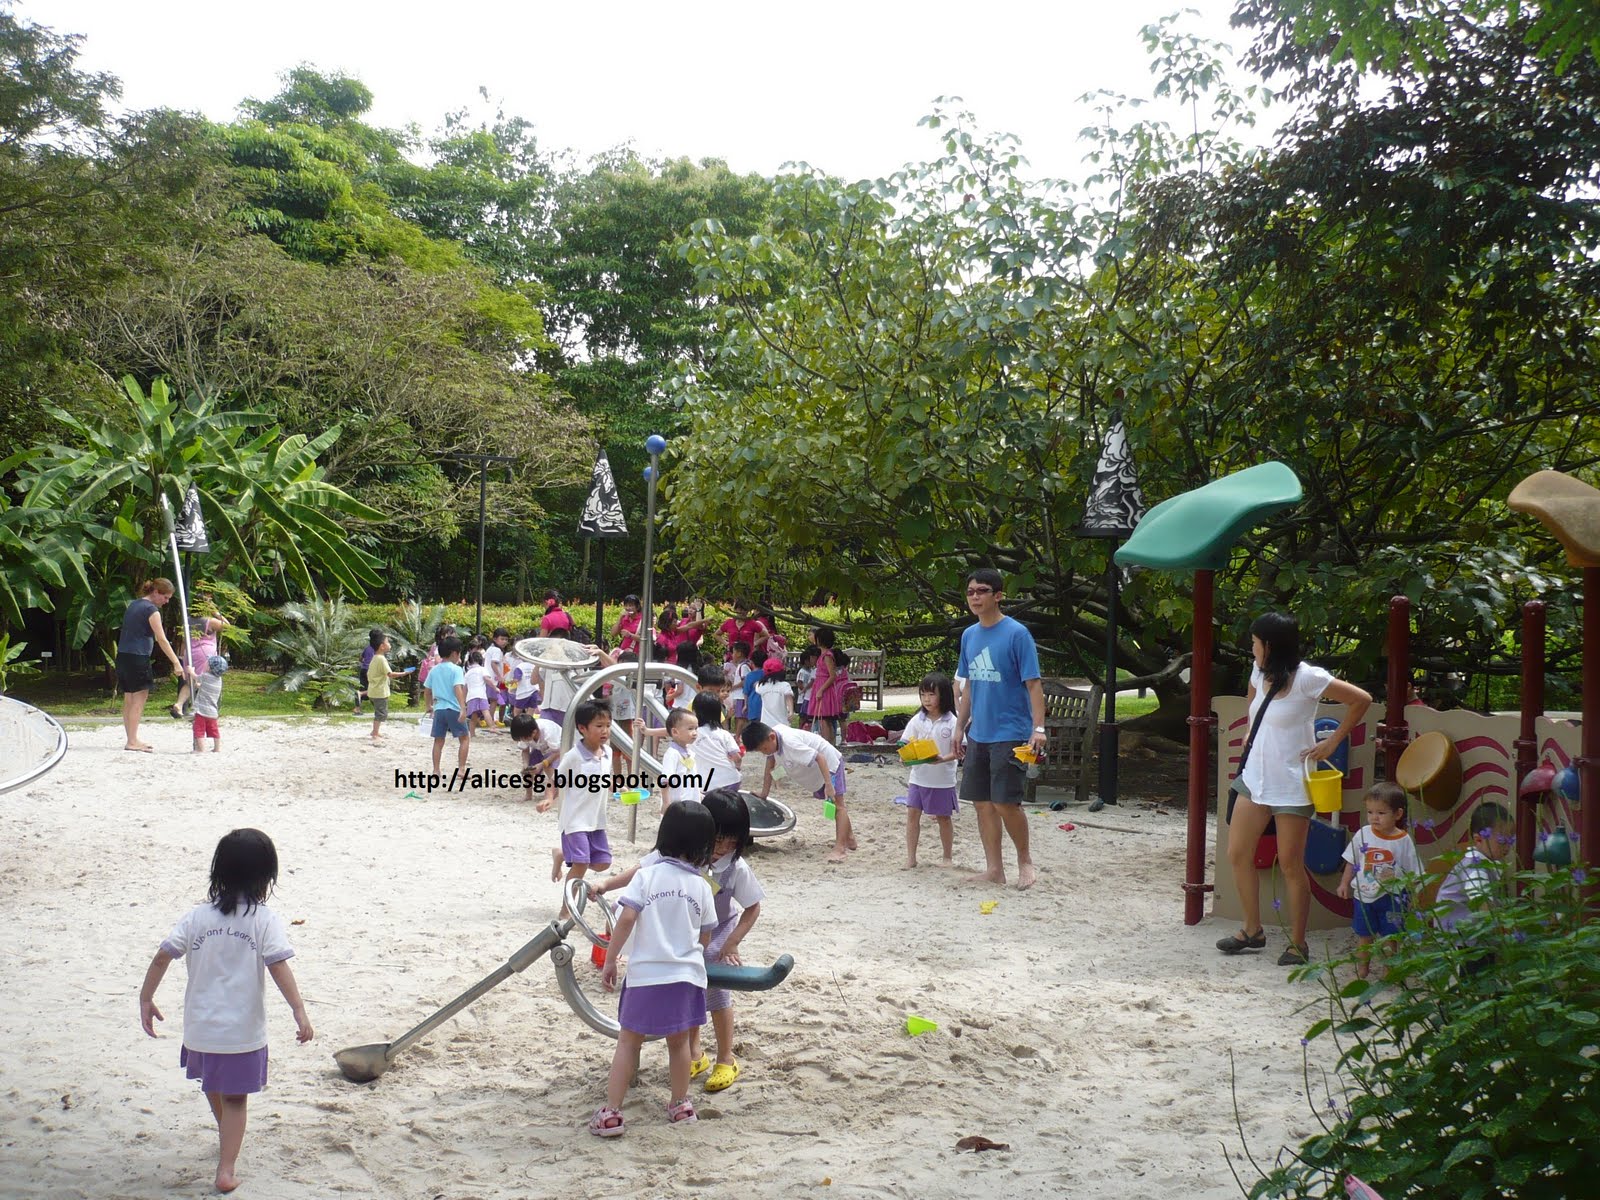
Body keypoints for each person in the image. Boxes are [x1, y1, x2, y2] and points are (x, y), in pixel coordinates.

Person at [138, 829, 313, 1193]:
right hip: (241, 1033)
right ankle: (226, 1168)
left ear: (218, 871)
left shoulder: (196, 917)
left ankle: (224, 1138)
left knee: (213, 1085)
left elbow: (162, 955)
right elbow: (279, 966)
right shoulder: (263, 919)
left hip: (200, 1030)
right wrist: (299, 1010)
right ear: (266, 877)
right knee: (235, 1098)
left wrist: (146, 997)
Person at [1216, 611, 1373, 967]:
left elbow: (1360, 699)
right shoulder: (1259, 670)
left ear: (1270, 646)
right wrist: (1248, 730)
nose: (1251, 648)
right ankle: (1252, 930)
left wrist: (1333, 742)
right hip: (1254, 777)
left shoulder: (1308, 678)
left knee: (1290, 864)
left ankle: (1298, 944)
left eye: (1255, 643)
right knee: (1238, 853)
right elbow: (1253, 697)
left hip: (1292, 782)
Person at [589, 801, 717, 1136]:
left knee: (629, 1042)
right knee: (678, 1044)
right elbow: (706, 932)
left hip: (647, 974)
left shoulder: (646, 876)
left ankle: (612, 1113)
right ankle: (680, 1104)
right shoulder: (702, 886)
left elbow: (627, 918)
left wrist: (612, 957)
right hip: (687, 976)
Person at [953, 568, 1048, 891]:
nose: (975, 597)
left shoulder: (1017, 634)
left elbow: (1034, 685)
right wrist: (958, 728)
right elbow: (968, 688)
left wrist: (1039, 728)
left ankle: (1025, 861)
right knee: (982, 802)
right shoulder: (969, 635)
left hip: (1011, 731)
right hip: (978, 732)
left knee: (1006, 803)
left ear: (998, 595)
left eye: (982, 591)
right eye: (970, 592)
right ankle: (994, 868)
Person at [1336, 782, 1422, 978]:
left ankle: (1388, 968)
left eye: (1381, 813)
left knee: (1392, 936)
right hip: (1364, 896)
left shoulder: (1403, 840)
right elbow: (1351, 860)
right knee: (1364, 935)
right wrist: (1344, 883)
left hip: (1393, 897)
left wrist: (1413, 895)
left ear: (1397, 814)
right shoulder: (1363, 834)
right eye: (1370, 812)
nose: (1374, 817)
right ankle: (1363, 967)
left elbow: (1413, 871)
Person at [742, 718, 852, 863]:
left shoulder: (790, 743)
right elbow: (770, 763)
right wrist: (764, 792)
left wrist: (829, 785)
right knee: (836, 806)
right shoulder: (772, 739)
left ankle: (840, 849)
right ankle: (850, 839)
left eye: (764, 749)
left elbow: (821, 758)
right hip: (816, 772)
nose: (764, 753)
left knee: (839, 806)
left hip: (830, 765)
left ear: (772, 737)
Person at [538, 700, 614, 897]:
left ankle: (562, 854)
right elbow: (556, 780)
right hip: (575, 820)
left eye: (608, 725)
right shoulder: (574, 756)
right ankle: (567, 908)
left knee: (603, 862)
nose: (605, 730)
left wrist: (619, 789)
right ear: (582, 728)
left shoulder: (608, 752)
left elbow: (606, 778)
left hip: (596, 820)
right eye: (599, 726)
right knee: (581, 864)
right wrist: (549, 798)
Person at [118, 578, 188, 753]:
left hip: (123, 655)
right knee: (139, 698)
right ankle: (132, 741)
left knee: (129, 698)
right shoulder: (151, 610)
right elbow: (162, 639)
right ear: (156, 592)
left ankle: (131, 738)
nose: (167, 601)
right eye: (165, 597)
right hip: (138, 657)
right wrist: (175, 663)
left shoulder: (134, 604)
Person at [901, 672, 961, 869]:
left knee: (944, 818)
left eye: (931, 695)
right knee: (912, 815)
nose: (927, 699)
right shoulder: (918, 720)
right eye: (923, 695)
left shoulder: (952, 721)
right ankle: (911, 857)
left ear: (943, 695)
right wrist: (906, 757)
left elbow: (960, 751)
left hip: (942, 779)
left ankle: (947, 856)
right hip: (918, 777)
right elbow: (905, 743)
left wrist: (942, 759)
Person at [1434, 801, 1513, 935]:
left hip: (1472, 932)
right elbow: (1481, 903)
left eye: (1510, 840)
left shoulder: (1489, 863)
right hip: (1456, 937)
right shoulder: (1474, 869)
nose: (1507, 847)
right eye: (1501, 841)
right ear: (1478, 840)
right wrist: (1502, 931)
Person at [172, 602, 230, 719]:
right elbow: (228, 626)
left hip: (189, 653)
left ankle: (179, 704)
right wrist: (216, 613)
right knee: (204, 682)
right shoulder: (209, 621)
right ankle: (199, 710)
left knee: (190, 682)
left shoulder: (187, 620)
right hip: (204, 654)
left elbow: (184, 639)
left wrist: (182, 656)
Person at [426, 636, 471, 774]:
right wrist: (463, 707)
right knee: (464, 738)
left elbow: (427, 690)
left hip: (439, 709)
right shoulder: (456, 669)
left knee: (438, 741)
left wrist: (428, 706)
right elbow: (457, 688)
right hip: (453, 709)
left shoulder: (434, 670)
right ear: (454, 653)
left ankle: (436, 770)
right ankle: (462, 769)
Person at [691, 692, 744, 791]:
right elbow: (737, 758)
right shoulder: (724, 734)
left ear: (695, 712)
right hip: (731, 780)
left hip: (707, 784)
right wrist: (737, 767)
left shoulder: (692, 735)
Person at [508, 712, 562, 802]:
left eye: (524, 738)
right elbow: (525, 751)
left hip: (558, 750)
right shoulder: (525, 732)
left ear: (534, 732)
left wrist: (542, 764)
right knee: (528, 771)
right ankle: (528, 795)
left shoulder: (548, 731)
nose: (523, 740)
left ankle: (557, 793)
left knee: (549, 768)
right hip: (540, 748)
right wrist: (525, 765)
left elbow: (558, 752)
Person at [658, 708, 702, 813]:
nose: (695, 733)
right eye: (690, 729)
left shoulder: (689, 752)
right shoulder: (672, 754)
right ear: (675, 731)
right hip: (677, 806)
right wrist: (666, 803)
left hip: (691, 803)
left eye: (696, 728)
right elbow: (665, 781)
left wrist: (698, 793)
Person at [807, 628, 847, 745]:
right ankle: (830, 744)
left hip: (824, 688)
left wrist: (821, 690)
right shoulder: (823, 654)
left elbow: (832, 675)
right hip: (821, 686)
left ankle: (828, 745)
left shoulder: (827, 656)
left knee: (825, 719)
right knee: (825, 719)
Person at [366, 633, 406, 745]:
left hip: (373, 690)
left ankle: (376, 731)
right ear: (382, 646)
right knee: (381, 713)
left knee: (379, 712)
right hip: (379, 692)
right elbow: (390, 674)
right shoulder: (381, 659)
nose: (390, 644)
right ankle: (374, 733)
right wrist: (404, 673)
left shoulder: (375, 658)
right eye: (388, 642)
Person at [192, 655, 229, 754]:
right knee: (214, 731)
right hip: (213, 712)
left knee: (199, 730)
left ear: (209, 667)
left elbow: (196, 677)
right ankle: (217, 748)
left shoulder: (205, 676)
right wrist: (199, 685)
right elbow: (207, 687)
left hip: (202, 711)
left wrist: (191, 671)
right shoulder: (219, 679)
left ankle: (200, 749)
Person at [755, 657, 794, 729]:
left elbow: (756, 686)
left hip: (766, 724)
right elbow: (789, 697)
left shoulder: (761, 686)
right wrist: (791, 711)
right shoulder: (784, 685)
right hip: (782, 723)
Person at [486, 627, 511, 728]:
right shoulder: (496, 650)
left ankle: (489, 719)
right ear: (495, 639)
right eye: (502, 639)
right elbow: (493, 663)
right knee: (494, 700)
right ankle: (490, 720)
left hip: (487, 678)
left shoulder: (490, 649)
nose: (504, 641)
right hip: (492, 679)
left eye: (506, 639)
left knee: (491, 700)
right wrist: (500, 676)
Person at [353, 627, 380, 717]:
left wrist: (365, 663)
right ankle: (378, 710)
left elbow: (360, 658)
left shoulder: (367, 648)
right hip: (371, 670)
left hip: (363, 669)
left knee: (365, 688)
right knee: (375, 689)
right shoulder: (377, 649)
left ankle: (357, 709)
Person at [726, 641, 753, 729]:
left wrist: (732, 688)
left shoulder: (744, 666)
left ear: (739, 653)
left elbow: (745, 681)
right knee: (738, 716)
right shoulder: (741, 665)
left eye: (733, 652)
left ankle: (738, 736)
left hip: (741, 695)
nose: (732, 655)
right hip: (738, 696)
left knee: (740, 717)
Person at [794, 647, 818, 726]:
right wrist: (803, 690)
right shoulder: (802, 672)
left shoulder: (811, 670)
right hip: (802, 698)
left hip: (808, 696)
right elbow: (799, 683)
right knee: (803, 716)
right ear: (806, 661)